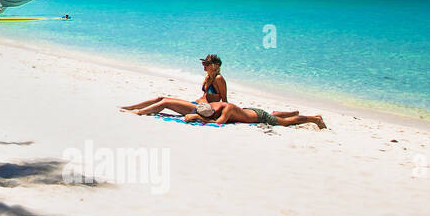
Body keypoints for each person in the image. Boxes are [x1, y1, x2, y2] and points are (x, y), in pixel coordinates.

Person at [121, 54, 228, 118]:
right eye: (203, 63)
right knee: (161, 98)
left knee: (166, 103)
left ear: (214, 66)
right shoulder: (208, 77)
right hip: (195, 104)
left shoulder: (219, 79)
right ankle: (131, 107)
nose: (203, 66)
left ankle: (138, 112)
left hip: (203, 109)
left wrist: (217, 116)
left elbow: (224, 101)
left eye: (206, 64)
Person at [191, 102, 327, 129]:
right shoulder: (214, 105)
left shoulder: (226, 111)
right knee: (273, 114)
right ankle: (293, 112)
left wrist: (198, 118)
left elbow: (218, 123)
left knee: (284, 123)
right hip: (251, 110)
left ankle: (314, 118)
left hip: (259, 117)